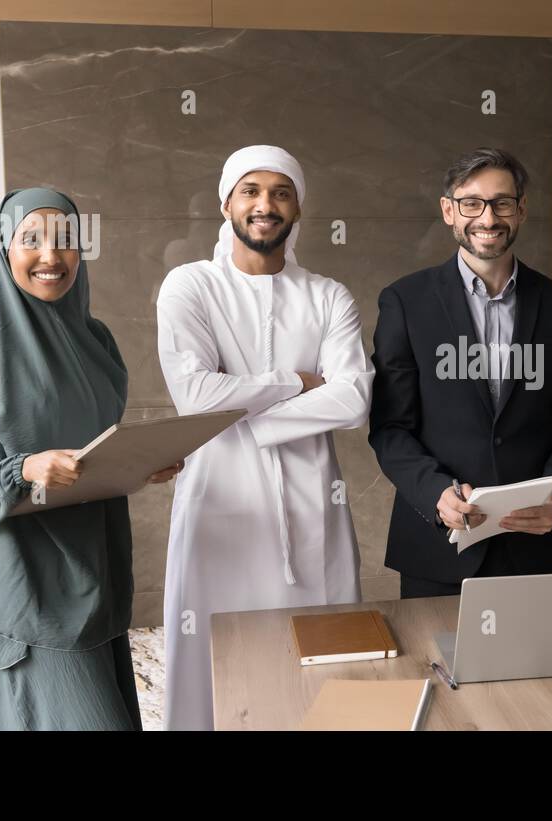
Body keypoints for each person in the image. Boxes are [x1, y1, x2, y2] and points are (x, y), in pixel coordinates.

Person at [0, 187, 179, 730]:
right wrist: (22, 470)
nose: (51, 256)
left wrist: (138, 463)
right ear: (3, 249)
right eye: (31, 239)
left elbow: (87, 460)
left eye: (67, 240)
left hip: (93, 579)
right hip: (22, 598)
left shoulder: (94, 343)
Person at [156, 145, 373, 730]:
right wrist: (296, 384)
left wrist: (246, 419)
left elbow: (353, 399)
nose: (265, 205)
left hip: (312, 509)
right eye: (250, 191)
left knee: (320, 671)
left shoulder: (328, 296)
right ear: (225, 203)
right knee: (211, 666)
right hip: (219, 507)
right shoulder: (189, 286)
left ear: (298, 209)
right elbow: (195, 396)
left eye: (281, 193)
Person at [369, 147, 552, 598]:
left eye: (502, 203)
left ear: (522, 209)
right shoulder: (405, 302)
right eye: (472, 203)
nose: (487, 218)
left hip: (537, 546)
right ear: (449, 210)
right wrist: (436, 493)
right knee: (438, 667)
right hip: (438, 547)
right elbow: (391, 427)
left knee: (542, 671)